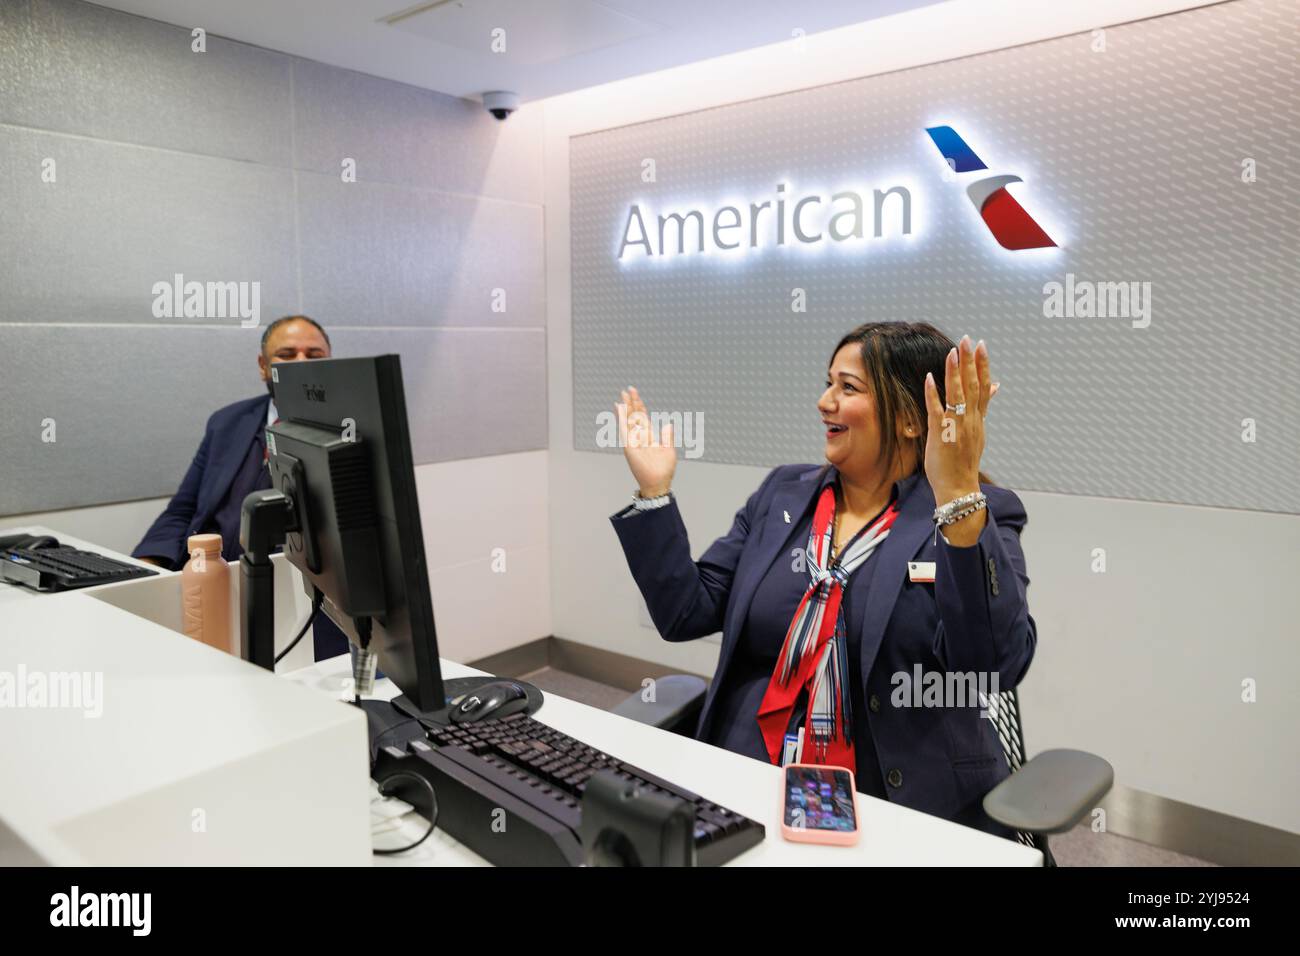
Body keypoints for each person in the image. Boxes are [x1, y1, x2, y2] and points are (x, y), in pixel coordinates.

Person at [610, 321, 1034, 839]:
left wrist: (960, 498)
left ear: (907, 418)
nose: (823, 401)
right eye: (828, 383)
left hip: (894, 797)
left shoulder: (969, 516)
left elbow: (993, 664)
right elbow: (685, 613)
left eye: (847, 388)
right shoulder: (782, 495)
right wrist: (654, 493)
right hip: (749, 773)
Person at [133, 315, 347, 659]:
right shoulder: (226, 423)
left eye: (315, 355)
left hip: (295, 603)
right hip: (207, 586)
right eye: (287, 354)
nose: (301, 365)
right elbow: (184, 508)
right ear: (264, 366)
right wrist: (144, 572)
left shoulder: (351, 431)